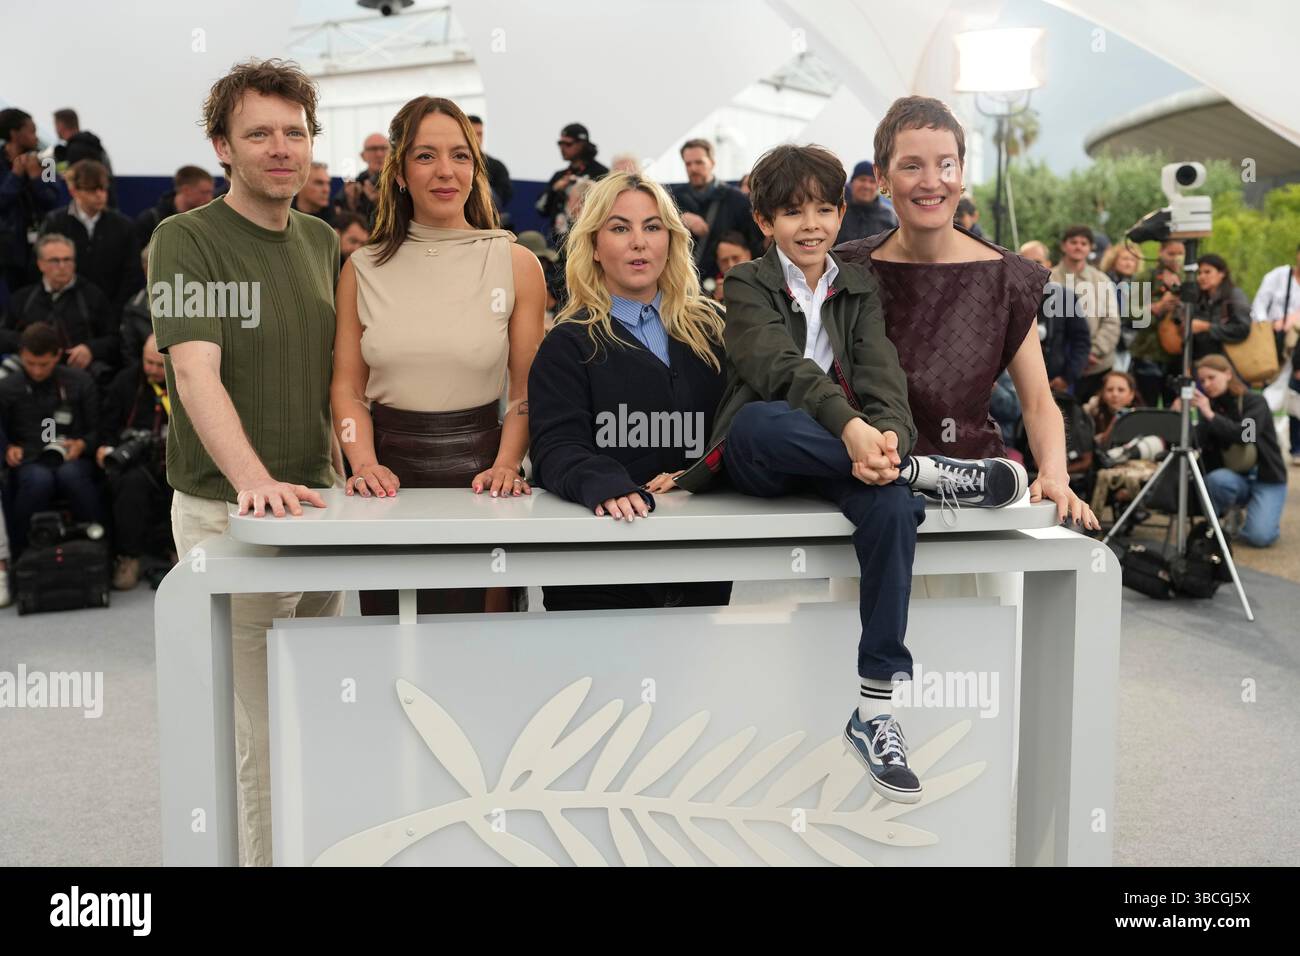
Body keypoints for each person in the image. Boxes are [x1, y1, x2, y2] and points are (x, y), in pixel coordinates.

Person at [674, 143, 1027, 804]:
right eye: (792, 211)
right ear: (763, 219)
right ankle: (925, 473)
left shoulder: (856, 285)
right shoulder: (746, 284)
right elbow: (777, 367)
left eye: (824, 209)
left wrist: (888, 438)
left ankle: (874, 709)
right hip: (767, 450)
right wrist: (852, 429)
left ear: (842, 211)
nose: (811, 224)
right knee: (765, 419)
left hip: (850, 455)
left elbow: (882, 374)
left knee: (893, 506)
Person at [151, 59, 346, 867]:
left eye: (294, 133)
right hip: (233, 519)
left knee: (317, 720)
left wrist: (345, 466)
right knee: (263, 737)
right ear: (221, 145)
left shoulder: (321, 239)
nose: (279, 148)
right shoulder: (184, 239)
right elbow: (194, 372)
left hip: (322, 512)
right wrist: (253, 482)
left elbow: (332, 372)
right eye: (258, 133)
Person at [836, 97, 1097, 529]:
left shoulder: (1008, 276)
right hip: (875, 493)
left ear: (961, 173)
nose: (931, 181)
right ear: (882, 177)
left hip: (978, 494)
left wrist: (1054, 474)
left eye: (945, 165)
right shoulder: (844, 268)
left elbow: (1036, 400)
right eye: (912, 166)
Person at [332, 95, 545, 615]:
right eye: (426, 155)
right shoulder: (361, 267)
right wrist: (361, 463)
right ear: (399, 171)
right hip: (385, 483)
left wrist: (506, 464)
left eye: (461, 155)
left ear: (477, 167)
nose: (445, 171)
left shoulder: (515, 262)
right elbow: (347, 387)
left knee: (484, 650)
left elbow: (525, 392)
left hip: (483, 479)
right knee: (394, 650)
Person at [529, 171, 732, 611]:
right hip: (598, 565)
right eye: (620, 228)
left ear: (671, 240)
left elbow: (738, 427)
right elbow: (556, 446)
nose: (639, 242)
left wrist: (703, 475)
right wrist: (609, 485)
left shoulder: (714, 329)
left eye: (652, 227)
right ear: (595, 247)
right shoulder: (568, 343)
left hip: (701, 561)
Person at [0, 322, 104, 557]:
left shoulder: (80, 382)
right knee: (38, 480)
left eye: (44, 364)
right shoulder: (7, 388)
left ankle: (98, 543)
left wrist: (83, 444)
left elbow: (98, 430)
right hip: (29, 459)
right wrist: (7, 448)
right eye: (30, 364)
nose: (37, 371)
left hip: (72, 456)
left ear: (57, 355)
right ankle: (22, 552)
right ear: (20, 356)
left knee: (72, 476)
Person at [1176, 354, 1286, 548]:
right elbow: (1196, 442)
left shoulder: (1255, 401)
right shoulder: (1211, 406)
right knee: (1215, 480)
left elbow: (1247, 434)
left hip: (1267, 477)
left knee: (1259, 537)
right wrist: (1180, 414)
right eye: (1202, 381)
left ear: (1227, 374)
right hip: (1236, 477)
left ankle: (1258, 512)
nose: (1207, 384)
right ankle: (1231, 511)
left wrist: (1210, 415)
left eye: (1211, 377)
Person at [96, 333, 172, 590]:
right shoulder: (126, 381)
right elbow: (106, 426)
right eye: (148, 362)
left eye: (159, 365)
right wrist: (104, 448)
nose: (152, 370)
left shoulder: (186, 379)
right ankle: (129, 557)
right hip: (136, 461)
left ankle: (180, 551)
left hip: (176, 456)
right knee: (130, 485)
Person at [0, 234, 118, 384]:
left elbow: (114, 339)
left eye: (67, 260)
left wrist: (91, 349)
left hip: (76, 369)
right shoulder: (23, 298)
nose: (62, 266)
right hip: (29, 366)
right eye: (55, 261)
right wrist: (26, 345)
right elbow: (2, 336)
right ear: (40, 264)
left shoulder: (93, 296)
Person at [40, 159, 142, 315]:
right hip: (64, 311)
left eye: (103, 189)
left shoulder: (123, 225)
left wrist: (115, 311)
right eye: (92, 189)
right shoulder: (55, 222)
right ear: (73, 190)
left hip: (112, 312)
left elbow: (132, 273)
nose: (100, 195)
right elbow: (41, 267)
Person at [668, 138, 763, 281]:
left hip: (726, 283)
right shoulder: (672, 199)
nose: (693, 168)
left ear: (712, 162)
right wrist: (680, 217)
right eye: (688, 164)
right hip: (683, 282)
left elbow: (754, 247)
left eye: (699, 162)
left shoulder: (737, 200)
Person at [1050, 224, 1119, 403]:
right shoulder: (1048, 279)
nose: (1078, 247)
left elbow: (1112, 321)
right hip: (1057, 370)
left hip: (1095, 366)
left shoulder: (1102, 280)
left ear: (1090, 248)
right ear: (1064, 246)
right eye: (1073, 242)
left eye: (1084, 243)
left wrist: (1091, 352)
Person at [0, 108, 59, 300]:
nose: (36, 137)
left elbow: (53, 199)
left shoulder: (46, 162)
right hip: (10, 249)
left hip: (42, 243)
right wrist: (16, 175)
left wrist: (36, 178)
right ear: (14, 134)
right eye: (31, 131)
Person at [1250, 244, 1300, 465]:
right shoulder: (1278, 276)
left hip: (1296, 356)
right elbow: (1258, 309)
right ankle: (1250, 444)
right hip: (1272, 349)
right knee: (1262, 402)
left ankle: (1295, 449)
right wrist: (1271, 326)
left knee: (1293, 402)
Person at [1129, 238, 1186, 406]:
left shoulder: (1189, 280)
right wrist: (1157, 307)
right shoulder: (1146, 277)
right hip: (1147, 353)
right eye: (1171, 253)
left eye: (1180, 254)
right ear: (1160, 252)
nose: (1175, 258)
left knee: (1175, 407)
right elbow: (1129, 314)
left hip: (1178, 355)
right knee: (1146, 405)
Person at [536, 123, 608, 245]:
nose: (563, 148)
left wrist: (587, 187)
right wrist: (554, 189)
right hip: (559, 244)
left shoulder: (601, 173)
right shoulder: (560, 175)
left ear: (582, 145)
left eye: (568, 144)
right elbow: (541, 209)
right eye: (560, 144)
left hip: (588, 241)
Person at [1188, 253, 1251, 362]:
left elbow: (1243, 329)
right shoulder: (1198, 298)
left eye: (1207, 272)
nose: (1202, 277)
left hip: (1226, 362)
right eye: (1199, 273)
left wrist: (1207, 327)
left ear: (1222, 273)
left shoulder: (1234, 295)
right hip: (1199, 361)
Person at [134, 166, 215, 246]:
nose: (210, 198)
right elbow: (137, 256)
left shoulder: (211, 219)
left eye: (211, 192)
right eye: (204, 192)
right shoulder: (150, 220)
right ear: (186, 190)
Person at [52, 108, 116, 207]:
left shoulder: (76, 149)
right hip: (106, 201)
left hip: (91, 206)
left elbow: (81, 179)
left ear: (60, 125)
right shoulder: (93, 145)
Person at [1100, 239, 1144, 373]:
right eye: (1124, 258)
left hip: (1130, 345)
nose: (1129, 263)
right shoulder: (1104, 281)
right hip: (1108, 341)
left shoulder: (1138, 283)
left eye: (1133, 259)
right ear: (1113, 261)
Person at [835, 160, 897, 244]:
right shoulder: (838, 214)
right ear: (852, 182)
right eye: (862, 179)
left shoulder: (890, 218)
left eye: (872, 181)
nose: (866, 186)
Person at [336, 132, 389, 224]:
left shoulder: (402, 180)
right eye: (373, 149)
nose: (379, 154)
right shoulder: (357, 182)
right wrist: (351, 202)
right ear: (362, 156)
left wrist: (382, 203)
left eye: (383, 148)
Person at [466, 114, 513, 216]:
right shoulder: (451, 164)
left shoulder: (497, 167)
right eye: (471, 134)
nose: (476, 139)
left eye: (479, 134)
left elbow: (499, 201)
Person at [709, 229, 753, 304]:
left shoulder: (765, 279)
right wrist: (716, 301)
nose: (730, 264)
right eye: (724, 261)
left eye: (736, 258)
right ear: (718, 263)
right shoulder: (714, 290)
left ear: (748, 255)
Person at [292, 161, 336, 225]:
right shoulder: (284, 217)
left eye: (328, 183)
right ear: (300, 185)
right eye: (319, 183)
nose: (326, 190)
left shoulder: (337, 223)